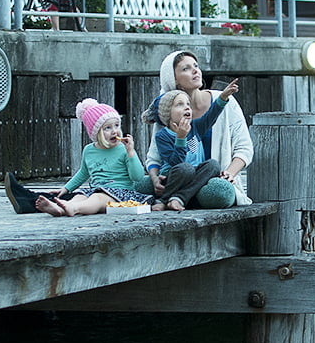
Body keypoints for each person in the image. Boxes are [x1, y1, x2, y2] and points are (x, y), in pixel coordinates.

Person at [144, 50, 253, 205]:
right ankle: (172, 198)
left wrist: (229, 174)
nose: (195, 70)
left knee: (219, 191)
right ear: (174, 80)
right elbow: (154, 156)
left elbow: (244, 148)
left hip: (211, 179)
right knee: (145, 183)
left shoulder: (225, 102)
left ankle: (179, 198)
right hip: (179, 178)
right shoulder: (168, 111)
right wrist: (155, 179)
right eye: (186, 68)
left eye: (196, 65)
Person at [34, 99, 152, 217]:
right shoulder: (89, 150)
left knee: (97, 198)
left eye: (116, 125)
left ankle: (73, 208)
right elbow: (83, 173)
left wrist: (131, 152)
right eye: (108, 128)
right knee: (80, 196)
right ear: (96, 133)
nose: (115, 131)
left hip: (121, 194)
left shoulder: (124, 149)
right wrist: (66, 189)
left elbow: (137, 177)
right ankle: (62, 208)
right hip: (96, 189)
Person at [146, 80, 241, 211]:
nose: (186, 107)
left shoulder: (195, 127)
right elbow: (175, 162)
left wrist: (223, 97)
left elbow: (211, 115)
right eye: (180, 104)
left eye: (188, 104)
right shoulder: (163, 135)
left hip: (195, 177)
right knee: (186, 168)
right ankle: (163, 199)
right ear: (168, 113)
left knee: (213, 165)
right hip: (175, 177)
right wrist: (181, 138)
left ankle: (179, 198)